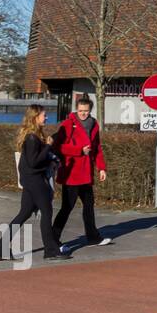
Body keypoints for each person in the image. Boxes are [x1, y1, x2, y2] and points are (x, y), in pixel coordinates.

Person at [0, 105, 69, 261]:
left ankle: (1, 249)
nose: (46, 117)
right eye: (44, 115)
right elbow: (34, 161)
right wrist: (49, 146)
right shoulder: (31, 138)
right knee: (47, 212)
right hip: (34, 180)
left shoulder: (35, 136)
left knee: (24, 213)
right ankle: (50, 251)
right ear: (35, 117)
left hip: (30, 180)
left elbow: (35, 159)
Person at [52, 96, 110, 251]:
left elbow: (97, 148)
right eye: (80, 111)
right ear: (76, 109)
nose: (83, 114)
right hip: (72, 173)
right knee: (67, 207)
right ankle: (52, 238)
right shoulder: (68, 124)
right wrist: (79, 151)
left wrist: (101, 168)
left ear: (90, 110)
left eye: (86, 111)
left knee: (89, 205)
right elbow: (58, 146)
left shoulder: (94, 124)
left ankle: (93, 237)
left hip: (86, 173)